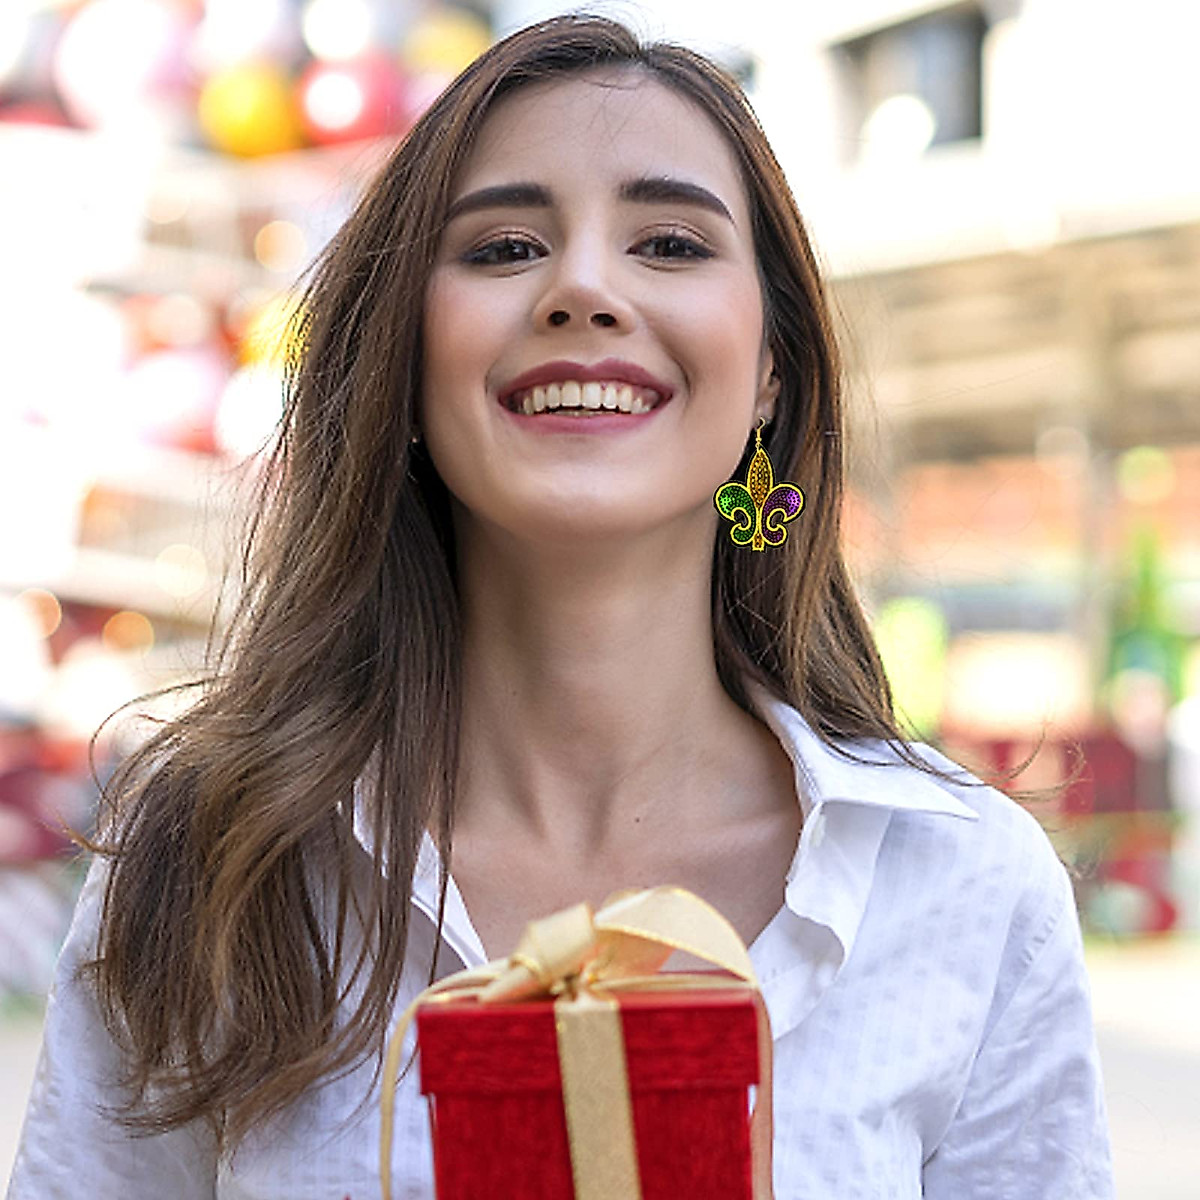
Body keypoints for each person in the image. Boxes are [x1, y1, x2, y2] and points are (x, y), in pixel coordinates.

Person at [8, 15, 1114, 1199]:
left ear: (771, 371)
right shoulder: (209, 861)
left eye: (671, 243)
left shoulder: (963, 883)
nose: (583, 287)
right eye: (503, 248)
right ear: (405, 362)